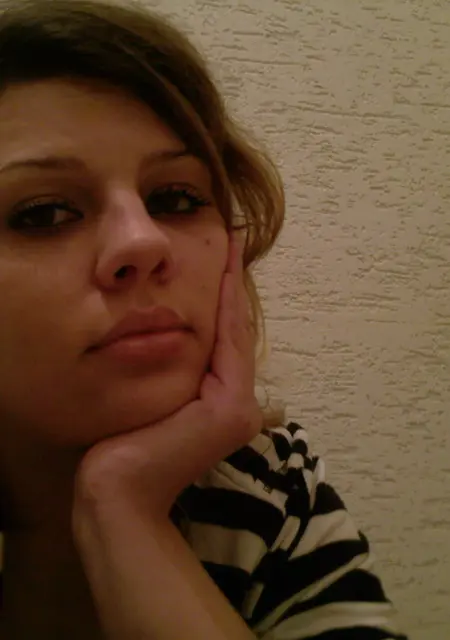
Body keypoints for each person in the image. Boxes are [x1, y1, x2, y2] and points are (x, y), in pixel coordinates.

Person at [0, 0, 408, 638]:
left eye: (175, 198)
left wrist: (124, 506)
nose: (144, 240)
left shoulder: (274, 488)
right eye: (44, 213)